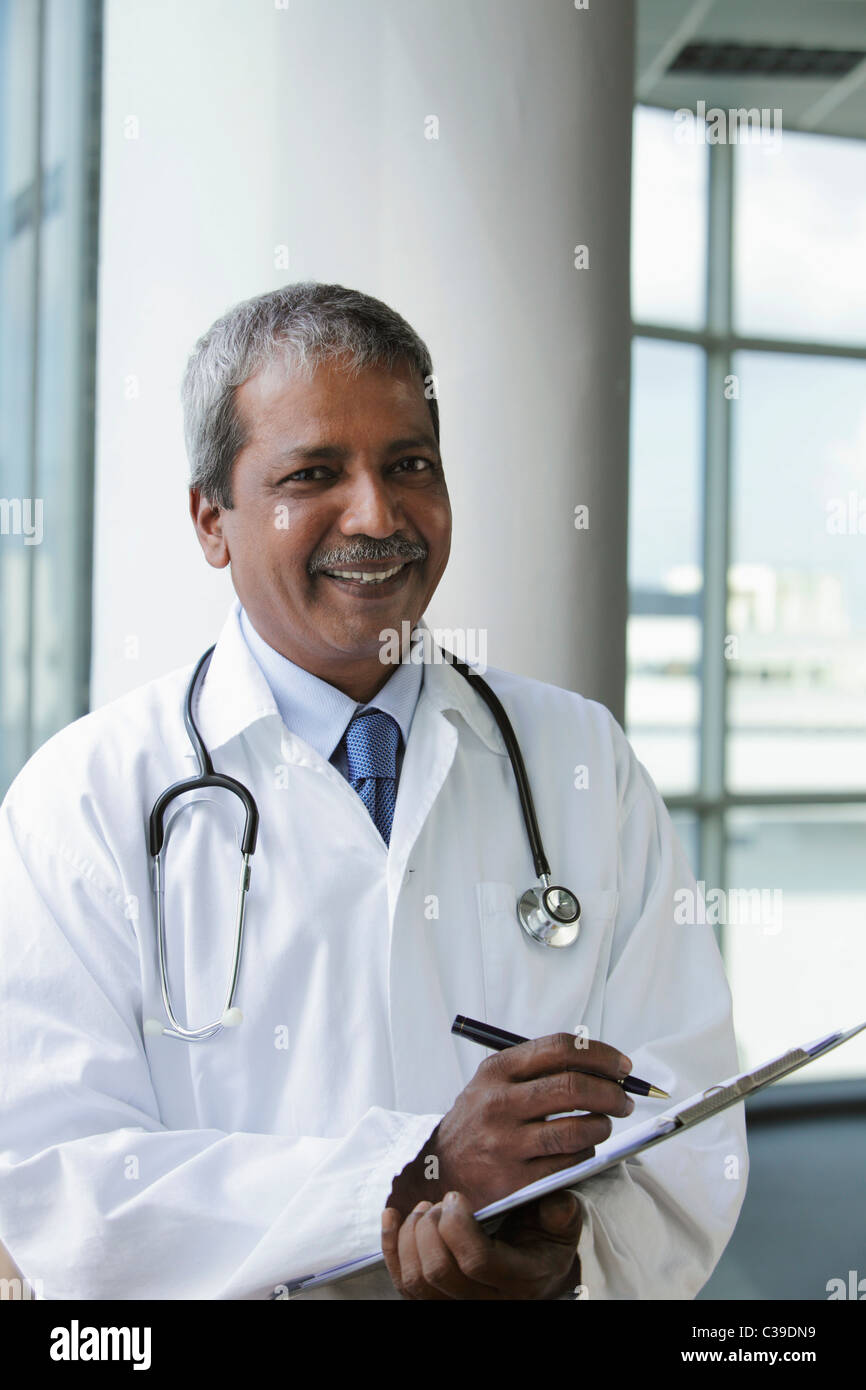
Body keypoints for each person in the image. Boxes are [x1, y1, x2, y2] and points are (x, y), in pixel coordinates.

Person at [0, 283, 747, 1300]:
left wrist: (557, 1255)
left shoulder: (581, 759)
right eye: (313, 473)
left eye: (409, 466)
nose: (376, 513)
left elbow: (685, 1120)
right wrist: (404, 1178)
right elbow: (58, 1188)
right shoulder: (84, 800)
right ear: (210, 519)